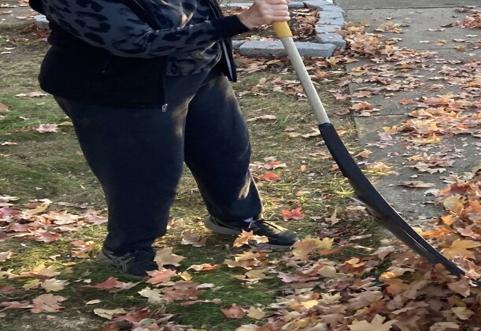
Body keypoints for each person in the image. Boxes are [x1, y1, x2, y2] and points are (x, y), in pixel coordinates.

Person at [36, 0, 299, 276]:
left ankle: (238, 218)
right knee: (146, 174)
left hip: (196, 69)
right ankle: (129, 246)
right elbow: (137, 42)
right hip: (120, 89)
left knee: (226, 150)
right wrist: (241, 22)